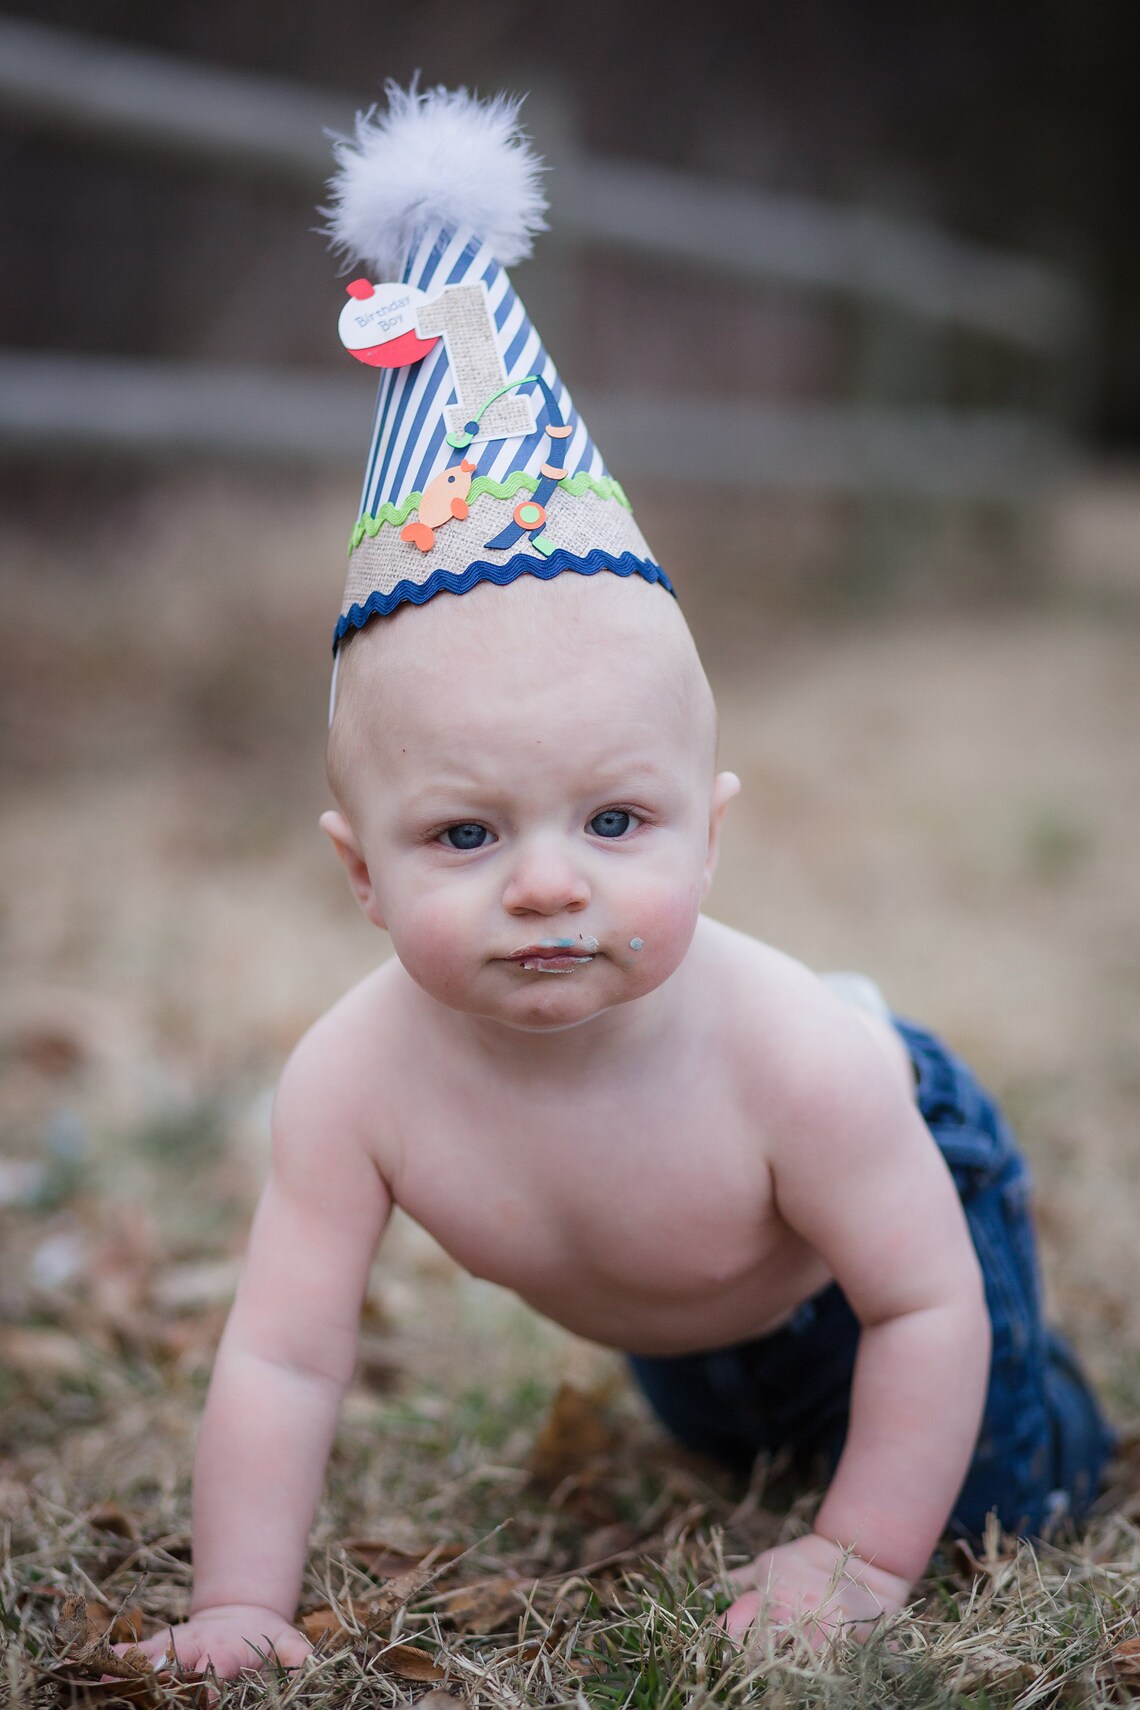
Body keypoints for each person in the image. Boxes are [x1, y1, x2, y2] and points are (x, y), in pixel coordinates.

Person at [129, 84, 1113, 1678]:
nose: (543, 886)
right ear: (356, 871)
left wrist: (858, 1564)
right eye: (463, 834)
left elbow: (926, 1307)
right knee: (744, 1461)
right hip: (684, 1322)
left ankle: (1053, 1414)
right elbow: (286, 1354)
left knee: (1009, 1493)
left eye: (614, 821)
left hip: (887, 1234)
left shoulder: (791, 1053)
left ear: (710, 834)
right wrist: (242, 1597)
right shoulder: (352, 1081)